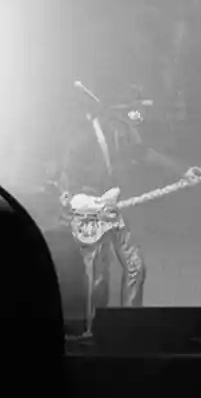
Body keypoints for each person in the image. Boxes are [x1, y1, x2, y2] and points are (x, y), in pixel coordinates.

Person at [55, 96, 146, 324]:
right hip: (94, 213)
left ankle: (131, 325)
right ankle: (95, 328)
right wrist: (93, 203)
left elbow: (142, 157)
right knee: (99, 277)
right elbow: (67, 189)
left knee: (136, 267)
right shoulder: (80, 143)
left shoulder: (118, 142)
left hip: (113, 211)